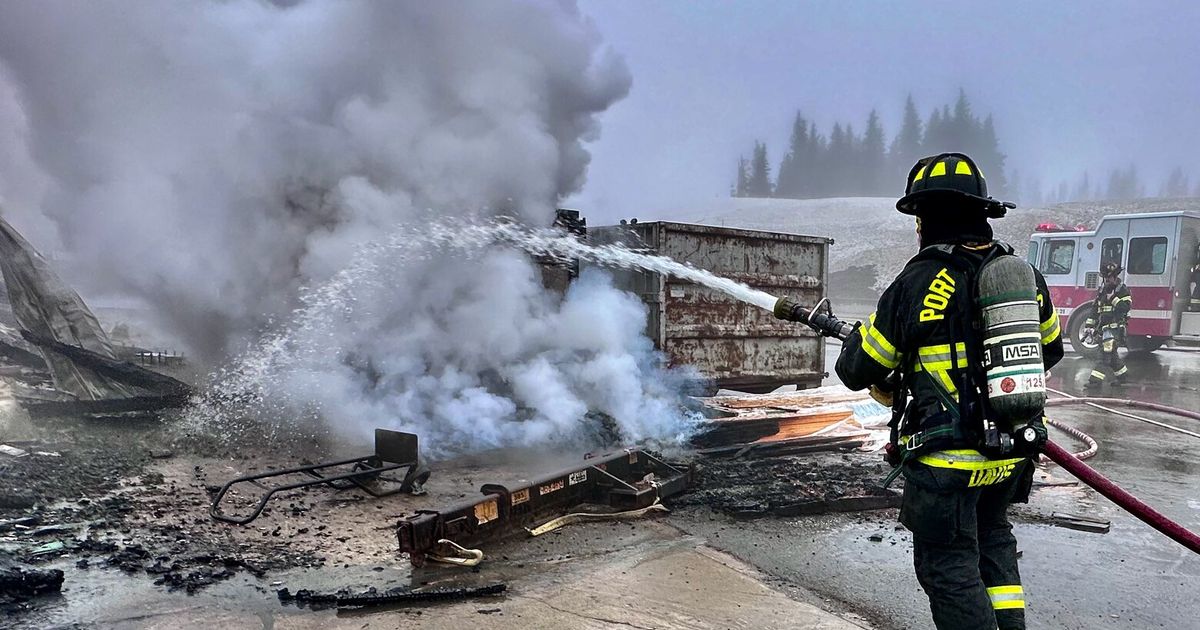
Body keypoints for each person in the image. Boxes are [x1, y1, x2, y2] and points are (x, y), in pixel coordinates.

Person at [834, 153, 1064, 630]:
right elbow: (1051, 350)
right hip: (1010, 454)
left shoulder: (918, 281)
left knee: (949, 566)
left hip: (948, 464)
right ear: (981, 211)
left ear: (926, 217)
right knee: (994, 543)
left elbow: (859, 369)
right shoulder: (1022, 277)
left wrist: (862, 338)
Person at [1084, 263, 1131, 389]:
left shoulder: (1122, 290)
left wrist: (1113, 298)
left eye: (1109, 278)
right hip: (1104, 329)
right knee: (1112, 355)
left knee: (1104, 355)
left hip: (1115, 329)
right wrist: (1089, 325)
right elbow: (1095, 309)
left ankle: (1095, 381)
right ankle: (1123, 376)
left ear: (1115, 277)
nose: (1106, 281)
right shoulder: (1102, 290)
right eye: (1105, 278)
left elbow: (1125, 308)